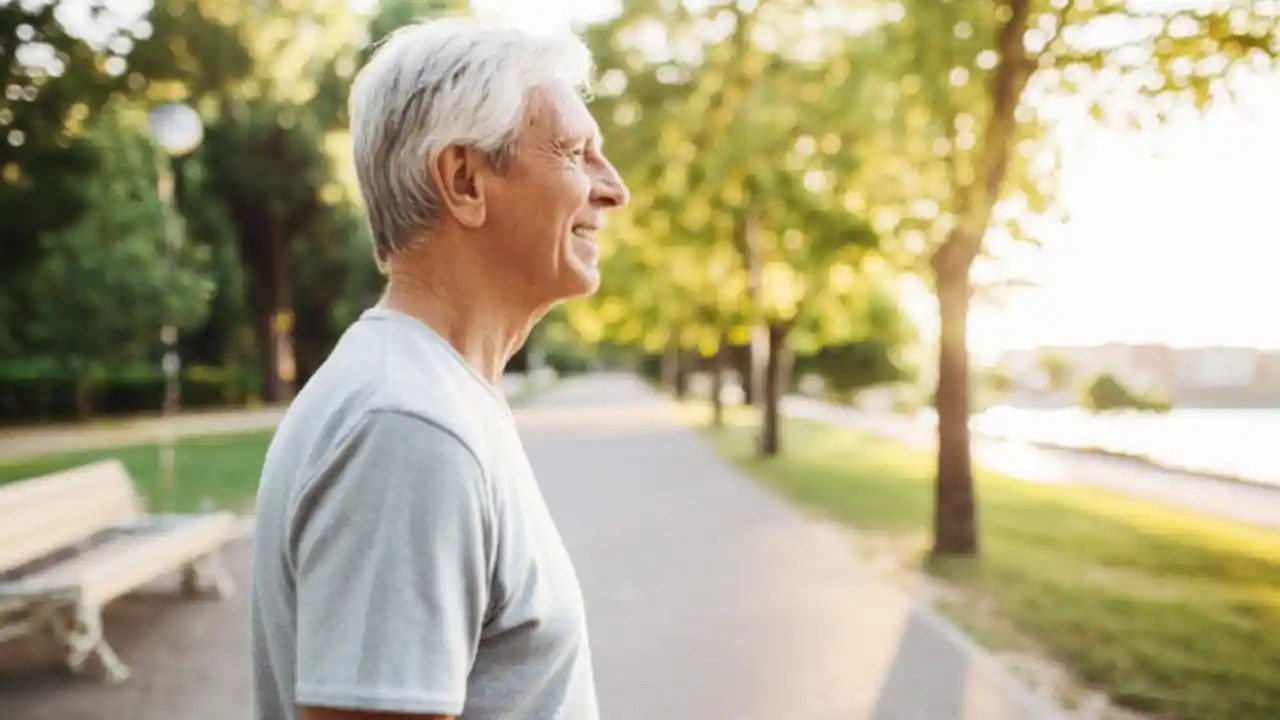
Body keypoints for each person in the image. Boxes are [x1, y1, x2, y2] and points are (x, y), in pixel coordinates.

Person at [250, 18, 630, 720]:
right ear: (463, 179)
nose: (615, 190)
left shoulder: (436, 395)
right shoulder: (406, 428)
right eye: (576, 151)